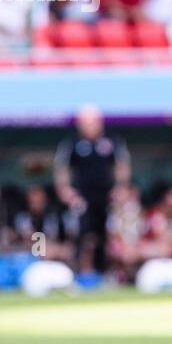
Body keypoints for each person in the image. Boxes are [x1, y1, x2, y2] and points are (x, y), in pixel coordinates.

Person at [54, 105, 131, 275]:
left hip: (106, 197)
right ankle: (79, 273)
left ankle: (104, 272)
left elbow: (122, 165)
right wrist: (65, 190)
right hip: (82, 198)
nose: (89, 126)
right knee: (82, 233)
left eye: (92, 122)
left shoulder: (112, 140)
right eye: (85, 122)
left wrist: (121, 187)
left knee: (106, 234)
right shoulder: (72, 143)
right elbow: (62, 168)